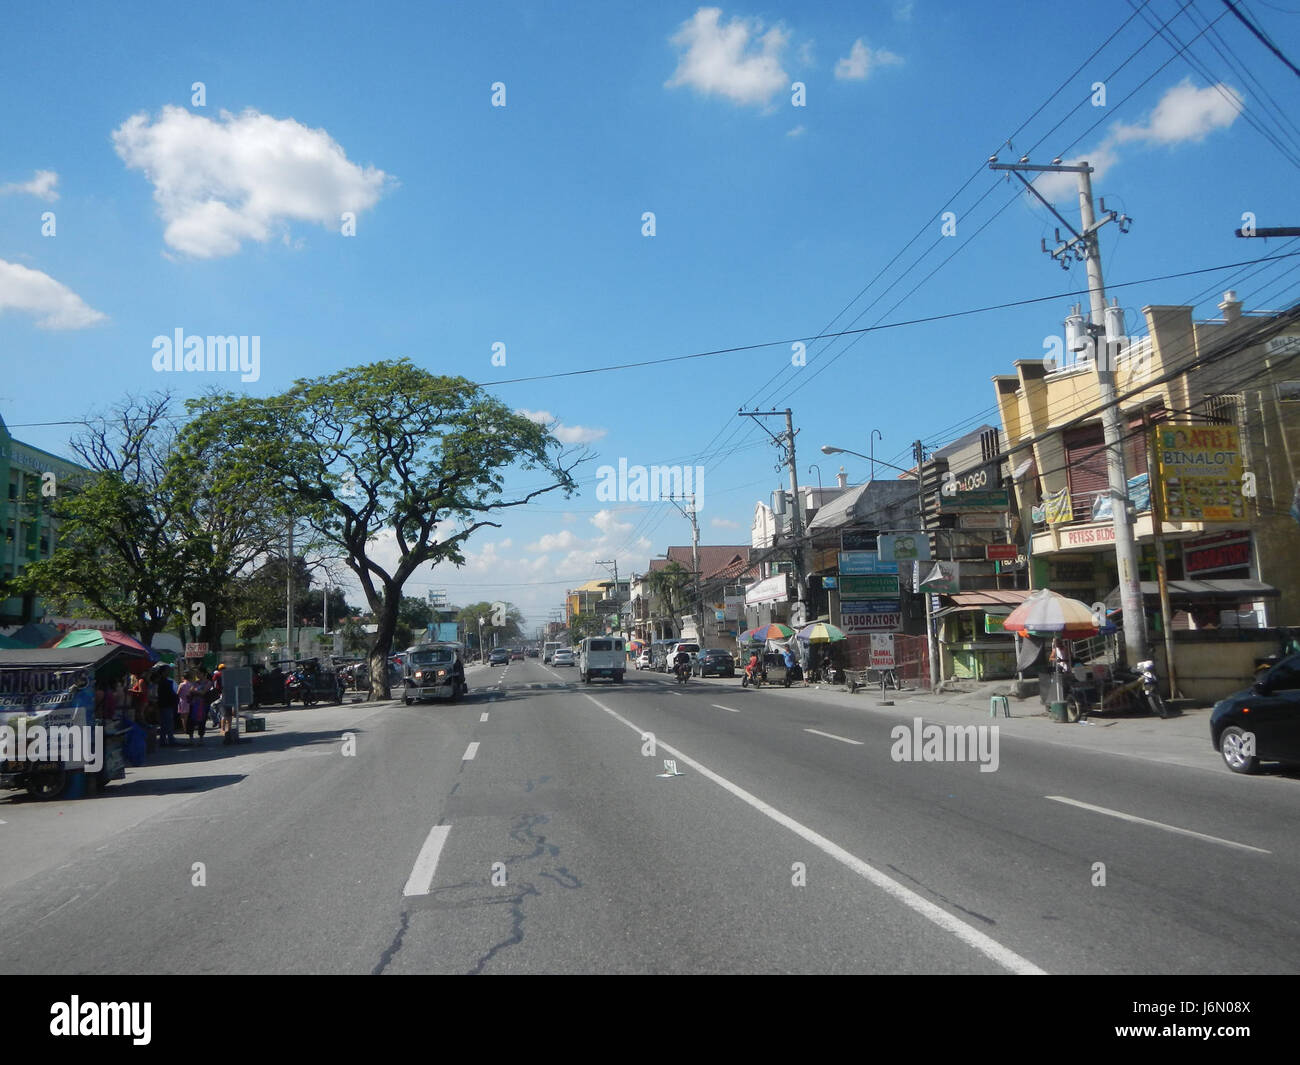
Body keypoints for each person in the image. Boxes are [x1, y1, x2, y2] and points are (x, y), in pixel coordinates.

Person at [156, 665, 178, 746]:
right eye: (167, 670)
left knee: (164, 724)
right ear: (163, 672)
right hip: (166, 705)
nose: (169, 672)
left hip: (164, 704)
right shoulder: (165, 682)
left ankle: (164, 740)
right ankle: (169, 740)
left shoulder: (162, 681)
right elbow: (170, 694)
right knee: (167, 723)